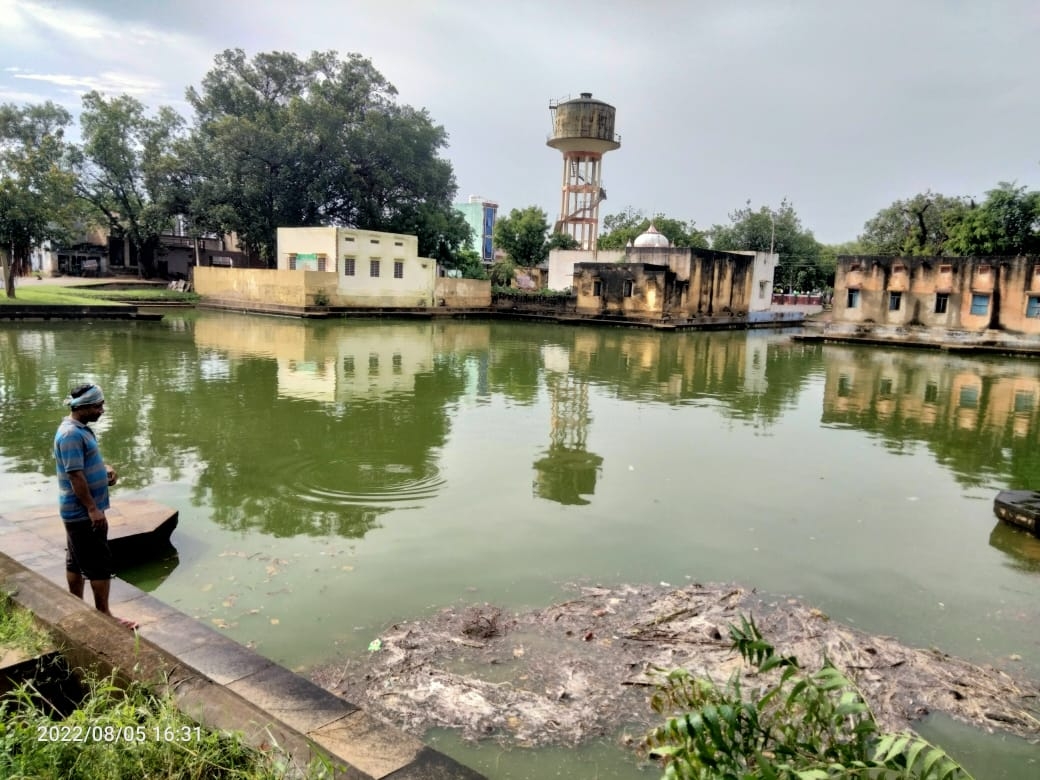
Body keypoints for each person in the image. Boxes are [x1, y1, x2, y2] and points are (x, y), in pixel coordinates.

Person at [53, 383, 137, 630]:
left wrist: (105, 471)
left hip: (79, 512)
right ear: (84, 407)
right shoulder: (70, 434)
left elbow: (84, 465)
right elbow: (75, 475)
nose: (102, 410)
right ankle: (104, 615)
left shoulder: (80, 430)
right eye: (98, 406)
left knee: (76, 561)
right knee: (98, 564)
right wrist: (92, 509)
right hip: (82, 513)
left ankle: (76, 606)